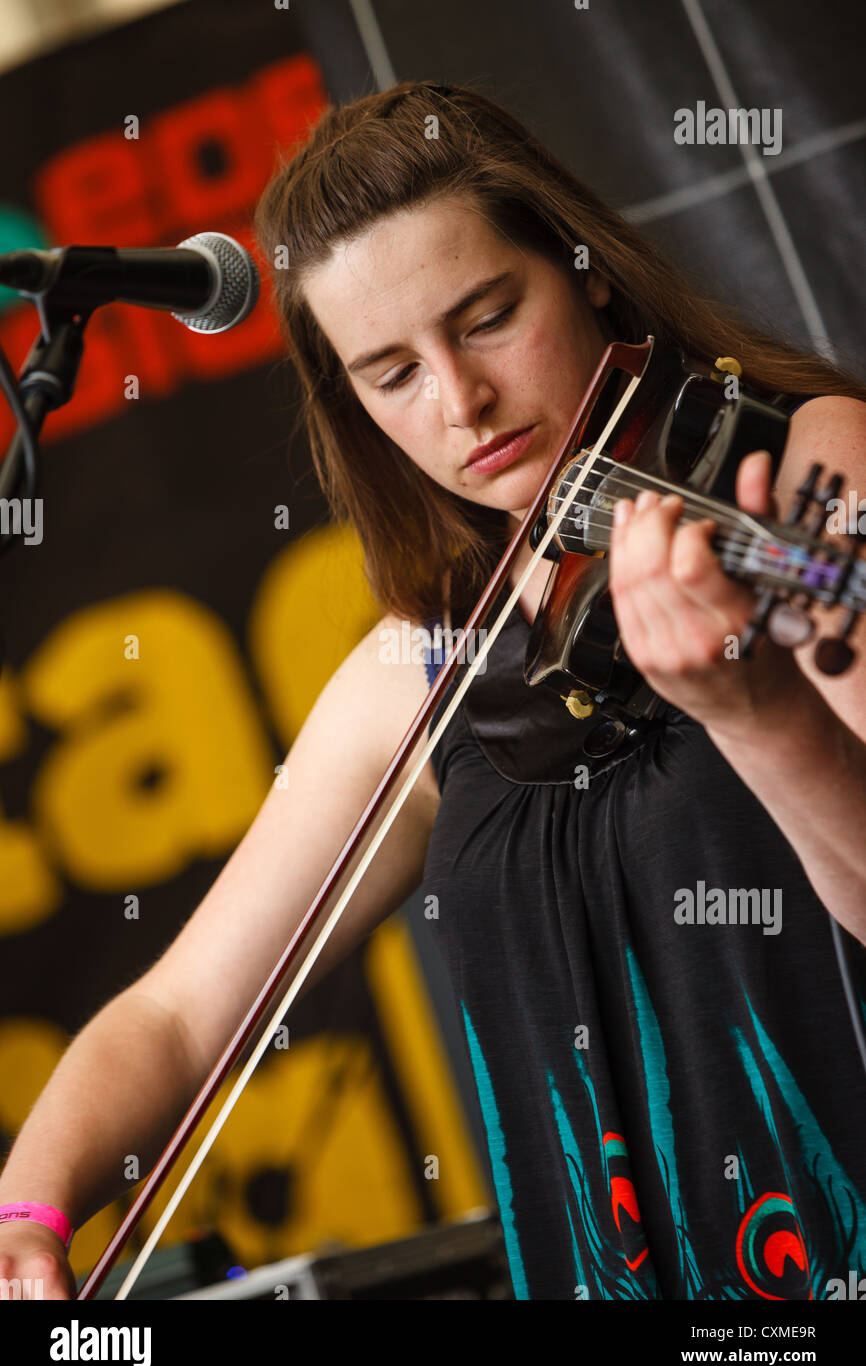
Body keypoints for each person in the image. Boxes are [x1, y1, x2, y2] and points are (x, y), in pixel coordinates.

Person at [2, 80, 866, 1302]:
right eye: (390, 371)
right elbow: (180, 1016)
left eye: (487, 315)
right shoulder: (428, 661)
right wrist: (29, 1210)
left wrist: (759, 717)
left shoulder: (805, 467)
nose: (459, 403)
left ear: (588, 273)